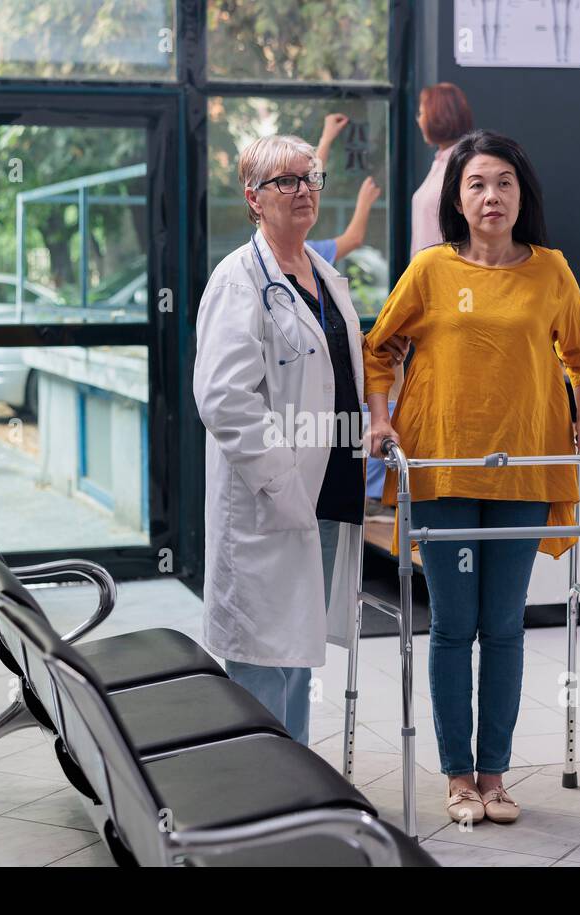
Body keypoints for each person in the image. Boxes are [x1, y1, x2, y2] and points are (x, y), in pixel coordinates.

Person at [363, 130, 580, 824]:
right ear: (458, 198)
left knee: (503, 626)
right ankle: (456, 777)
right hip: (445, 465)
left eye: (503, 181)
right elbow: (379, 348)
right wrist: (381, 422)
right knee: (451, 626)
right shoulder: (430, 270)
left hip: (525, 466)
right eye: (476, 184)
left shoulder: (550, 271)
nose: (491, 195)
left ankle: (495, 776)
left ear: (520, 193)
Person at [193, 134, 369, 745]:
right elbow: (224, 398)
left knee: (295, 648)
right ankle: (256, 800)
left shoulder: (321, 273)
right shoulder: (238, 281)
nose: (303, 191)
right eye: (286, 182)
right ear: (254, 199)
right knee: (262, 661)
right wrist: (280, 482)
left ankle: (293, 791)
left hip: (323, 495)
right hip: (273, 503)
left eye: (311, 178)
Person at [307, 113, 382, 265]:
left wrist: (326, 140)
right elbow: (352, 240)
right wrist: (364, 203)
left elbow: (311, 183)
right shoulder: (306, 254)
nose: (302, 192)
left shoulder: (296, 251)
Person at [411, 83, 474, 258]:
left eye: (422, 113)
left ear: (438, 116)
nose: (419, 120)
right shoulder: (440, 161)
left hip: (448, 275)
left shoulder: (464, 164)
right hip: (427, 272)